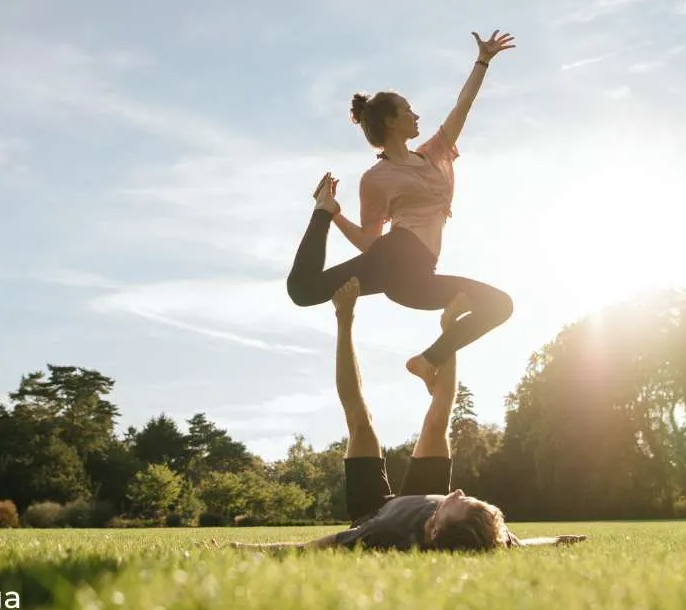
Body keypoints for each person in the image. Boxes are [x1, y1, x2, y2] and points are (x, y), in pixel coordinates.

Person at [232, 277, 586, 552]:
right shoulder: (489, 530)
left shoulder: (383, 533)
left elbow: (306, 548)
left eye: (459, 502)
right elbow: (527, 543)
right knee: (437, 423)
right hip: (423, 497)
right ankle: (449, 331)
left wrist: (240, 547)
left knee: (362, 424)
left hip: (375, 509)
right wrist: (558, 540)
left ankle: (344, 318)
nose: (460, 490)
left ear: (435, 529)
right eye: (471, 498)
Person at [286, 30, 519, 395]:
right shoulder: (375, 179)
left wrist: (483, 61)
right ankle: (321, 210)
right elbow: (369, 241)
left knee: (499, 306)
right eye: (408, 109)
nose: (416, 114)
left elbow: (462, 108)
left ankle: (427, 361)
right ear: (392, 122)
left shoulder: (433, 153)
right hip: (398, 253)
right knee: (303, 291)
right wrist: (334, 215)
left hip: (415, 281)